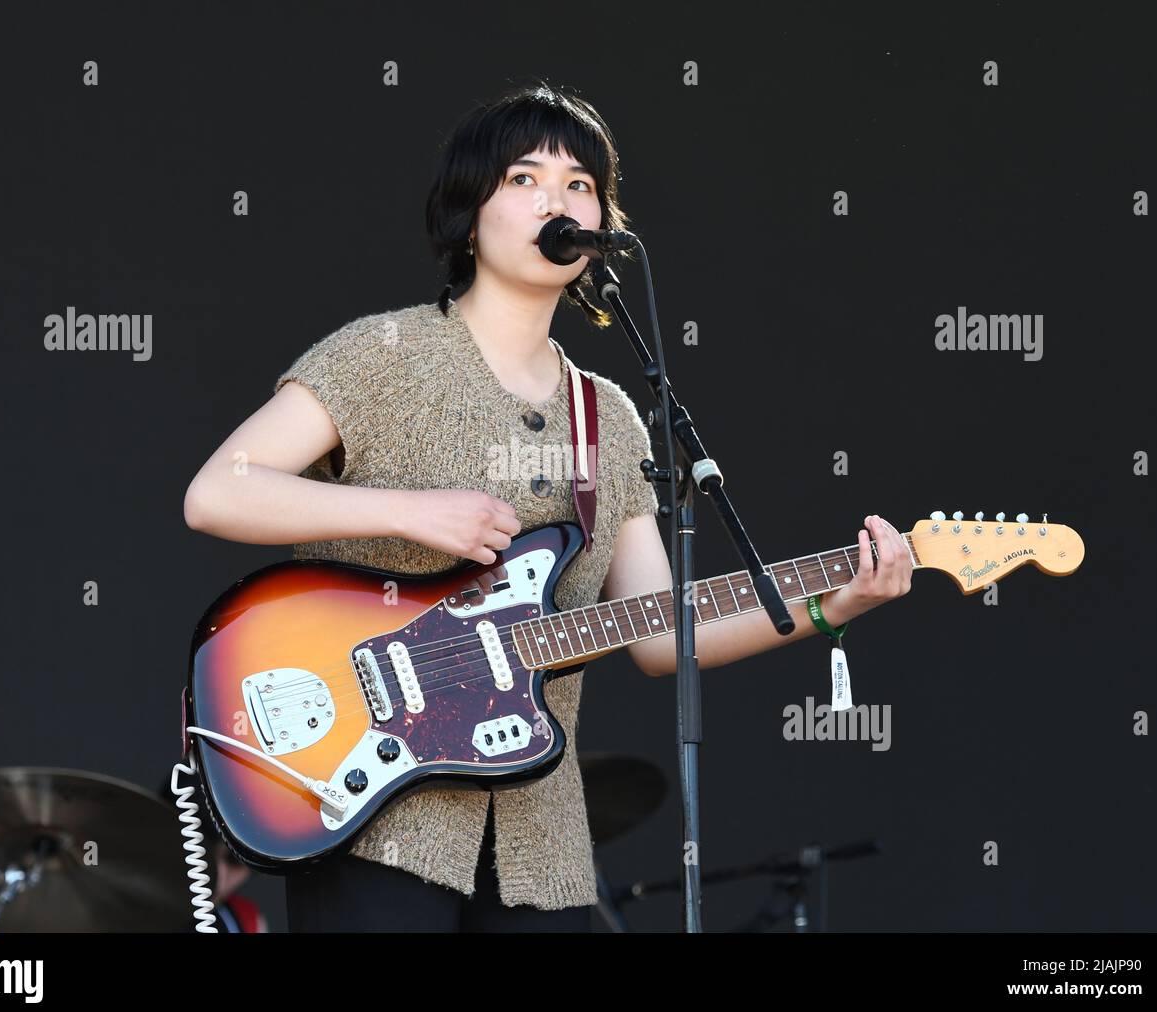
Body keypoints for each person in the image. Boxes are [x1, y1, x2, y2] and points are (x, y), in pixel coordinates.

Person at [181, 79, 913, 933]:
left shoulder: (611, 414)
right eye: (523, 178)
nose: (555, 200)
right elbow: (217, 490)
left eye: (579, 185)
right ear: (470, 212)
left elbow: (656, 633)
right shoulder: (386, 354)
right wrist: (410, 513)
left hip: (542, 839)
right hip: (379, 812)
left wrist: (835, 603)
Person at [156, 777, 268, 933]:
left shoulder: (247, 921)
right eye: (200, 850)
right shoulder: (119, 906)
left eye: (234, 860)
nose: (217, 877)